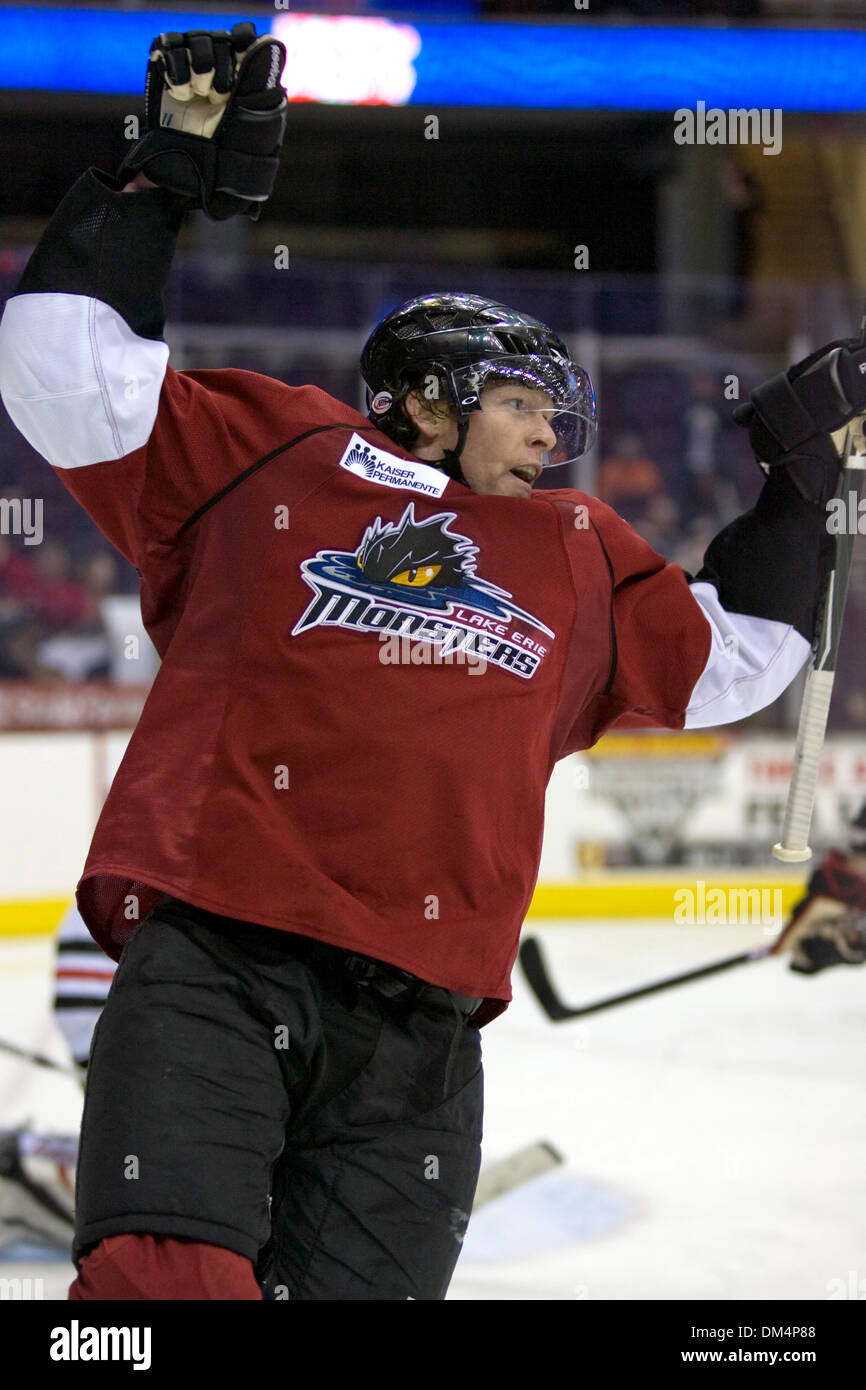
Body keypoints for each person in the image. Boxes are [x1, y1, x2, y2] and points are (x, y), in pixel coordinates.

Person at [0, 22, 863, 1301]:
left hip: (423, 1027)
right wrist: (153, 179)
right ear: (418, 396)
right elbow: (68, 380)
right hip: (217, 968)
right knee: (156, 1293)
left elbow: (731, 659)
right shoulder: (275, 454)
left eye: (559, 415)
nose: (549, 432)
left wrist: (799, 495)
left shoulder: (573, 546)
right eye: (518, 400)